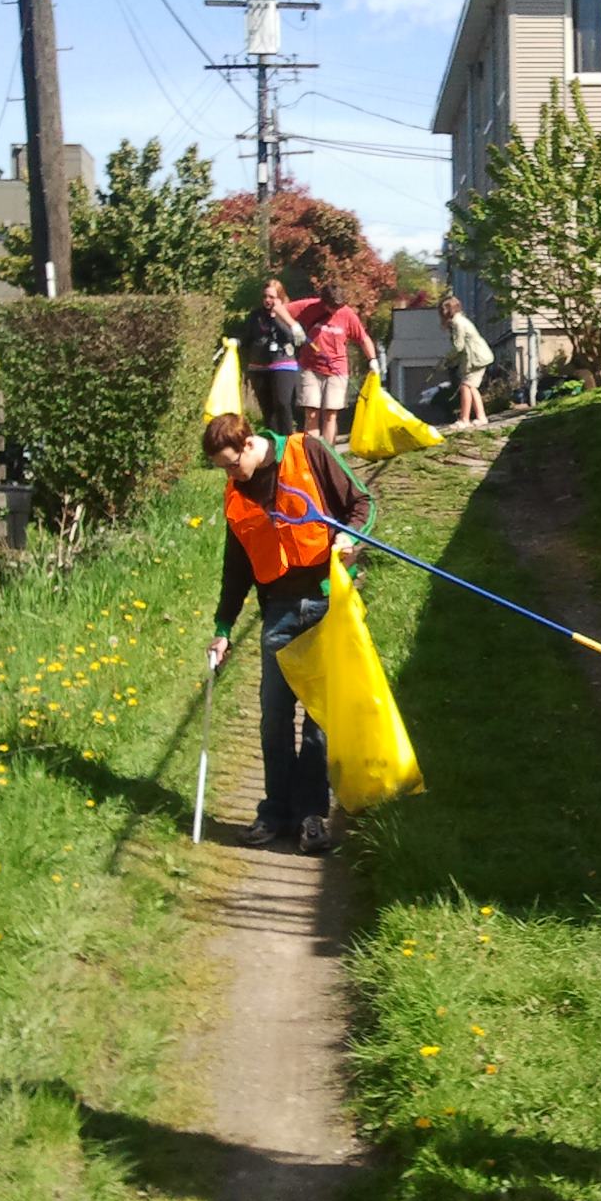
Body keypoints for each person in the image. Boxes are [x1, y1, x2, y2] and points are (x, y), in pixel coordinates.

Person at [204, 412, 371, 855]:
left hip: (325, 604)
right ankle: (275, 811)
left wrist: (350, 538)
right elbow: (235, 569)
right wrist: (223, 628)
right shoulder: (235, 495)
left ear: (249, 445)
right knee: (273, 719)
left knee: (318, 721)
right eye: (221, 467)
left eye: (229, 464)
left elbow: (361, 502)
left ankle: (313, 818)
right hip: (277, 611)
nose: (228, 473)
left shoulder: (308, 451)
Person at [288, 282, 380, 445]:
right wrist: (294, 326)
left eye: (338, 307)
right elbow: (281, 309)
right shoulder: (310, 306)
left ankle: (328, 455)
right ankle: (312, 455)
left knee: (331, 414)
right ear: (324, 302)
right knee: (312, 413)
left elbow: (363, 338)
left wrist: (372, 360)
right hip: (310, 368)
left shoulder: (347, 314)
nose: (335, 311)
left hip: (337, 370)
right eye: (332, 308)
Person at [238, 278, 305, 433]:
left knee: (282, 403)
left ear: (279, 298)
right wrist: (237, 342)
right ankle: (274, 446)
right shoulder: (255, 316)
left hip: (283, 364)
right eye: (265, 297)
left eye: (271, 297)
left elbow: (291, 338)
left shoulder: (288, 314)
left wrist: (277, 317)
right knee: (268, 410)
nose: (267, 300)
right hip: (259, 366)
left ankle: (288, 441)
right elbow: (247, 336)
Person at [438, 295, 494, 428]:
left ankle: (464, 419)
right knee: (471, 386)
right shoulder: (461, 320)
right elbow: (461, 348)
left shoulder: (457, 323)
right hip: (479, 356)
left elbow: (458, 346)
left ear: (447, 311)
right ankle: (481, 417)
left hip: (476, 357)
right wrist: (449, 362)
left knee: (465, 386)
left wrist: (446, 359)